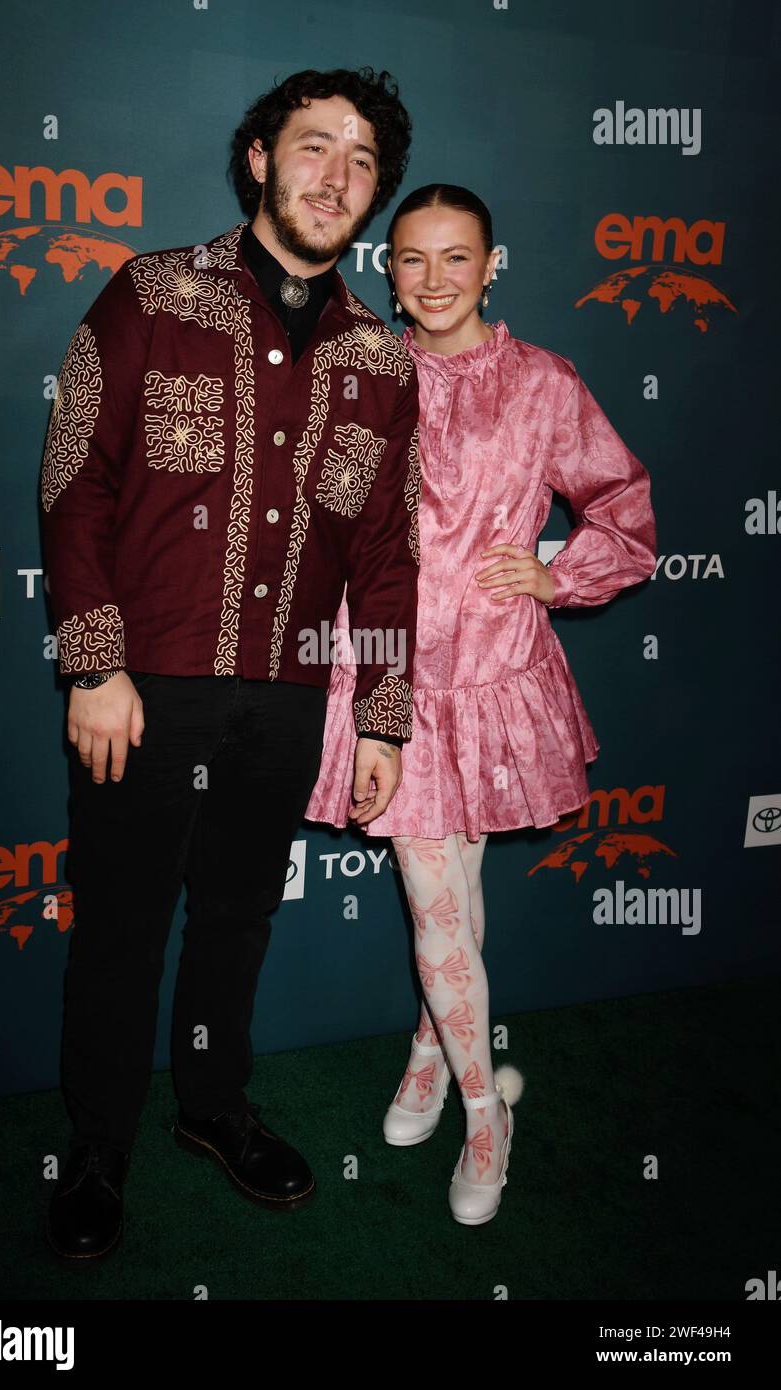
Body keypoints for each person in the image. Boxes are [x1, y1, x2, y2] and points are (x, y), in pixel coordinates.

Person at [40, 68, 422, 1259]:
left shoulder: (382, 359)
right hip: (145, 691)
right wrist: (95, 666)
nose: (337, 177)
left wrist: (385, 719)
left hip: (289, 695)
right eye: (315, 147)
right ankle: (96, 1149)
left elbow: (389, 550)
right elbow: (72, 481)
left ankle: (210, 1107)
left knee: (239, 919)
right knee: (119, 925)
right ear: (259, 157)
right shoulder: (151, 294)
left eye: (362, 161)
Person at [304, 184, 657, 1225]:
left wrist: (561, 574)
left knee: (449, 892)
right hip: (387, 675)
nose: (435, 278)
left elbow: (622, 504)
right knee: (438, 902)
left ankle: (440, 1067)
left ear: (492, 265)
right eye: (412, 258)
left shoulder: (547, 383)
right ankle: (478, 1103)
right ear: (387, 267)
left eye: (458, 258)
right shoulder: (359, 374)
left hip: (498, 671)